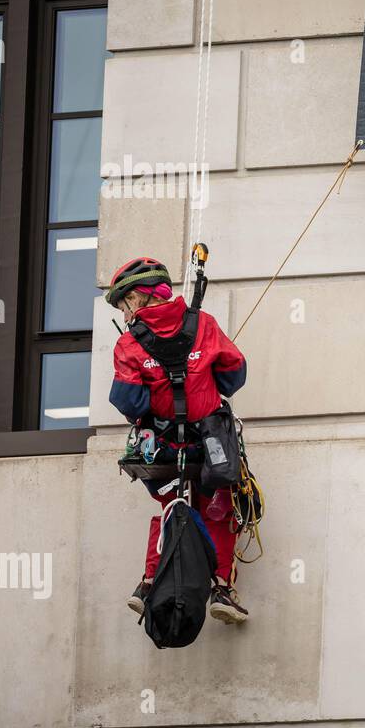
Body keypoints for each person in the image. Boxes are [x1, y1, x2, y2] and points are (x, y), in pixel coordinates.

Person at [104, 257, 251, 624]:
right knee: (218, 509)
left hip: (163, 450)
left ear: (138, 299)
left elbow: (128, 401)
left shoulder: (128, 344)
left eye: (125, 306)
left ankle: (150, 581)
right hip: (211, 447)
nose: (125, 314)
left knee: (171, 506)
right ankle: (221, 589)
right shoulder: (204, 325)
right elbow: (234, 376)